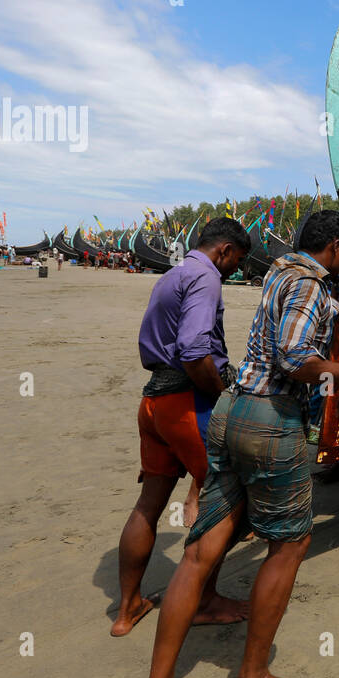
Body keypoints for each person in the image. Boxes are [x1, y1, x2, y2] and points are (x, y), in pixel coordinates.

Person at [147, 208, 339, 678]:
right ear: (331, 248)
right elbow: (295, 355)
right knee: (289, 545)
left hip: (232, 410)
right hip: (273, 417)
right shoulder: (309, 286)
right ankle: (253, 675)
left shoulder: (285, 269)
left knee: (201, 550)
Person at [111, 217, 252, 637]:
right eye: (237, 261)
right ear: (224, 250)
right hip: (186, 403)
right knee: (227, 500)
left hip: (153, 402)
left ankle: (127, 607)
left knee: (148, 504)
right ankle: (204, 601)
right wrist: (220, 395)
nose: (236, 271)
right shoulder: (206, 277)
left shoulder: (173, 273)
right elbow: (194, 351)